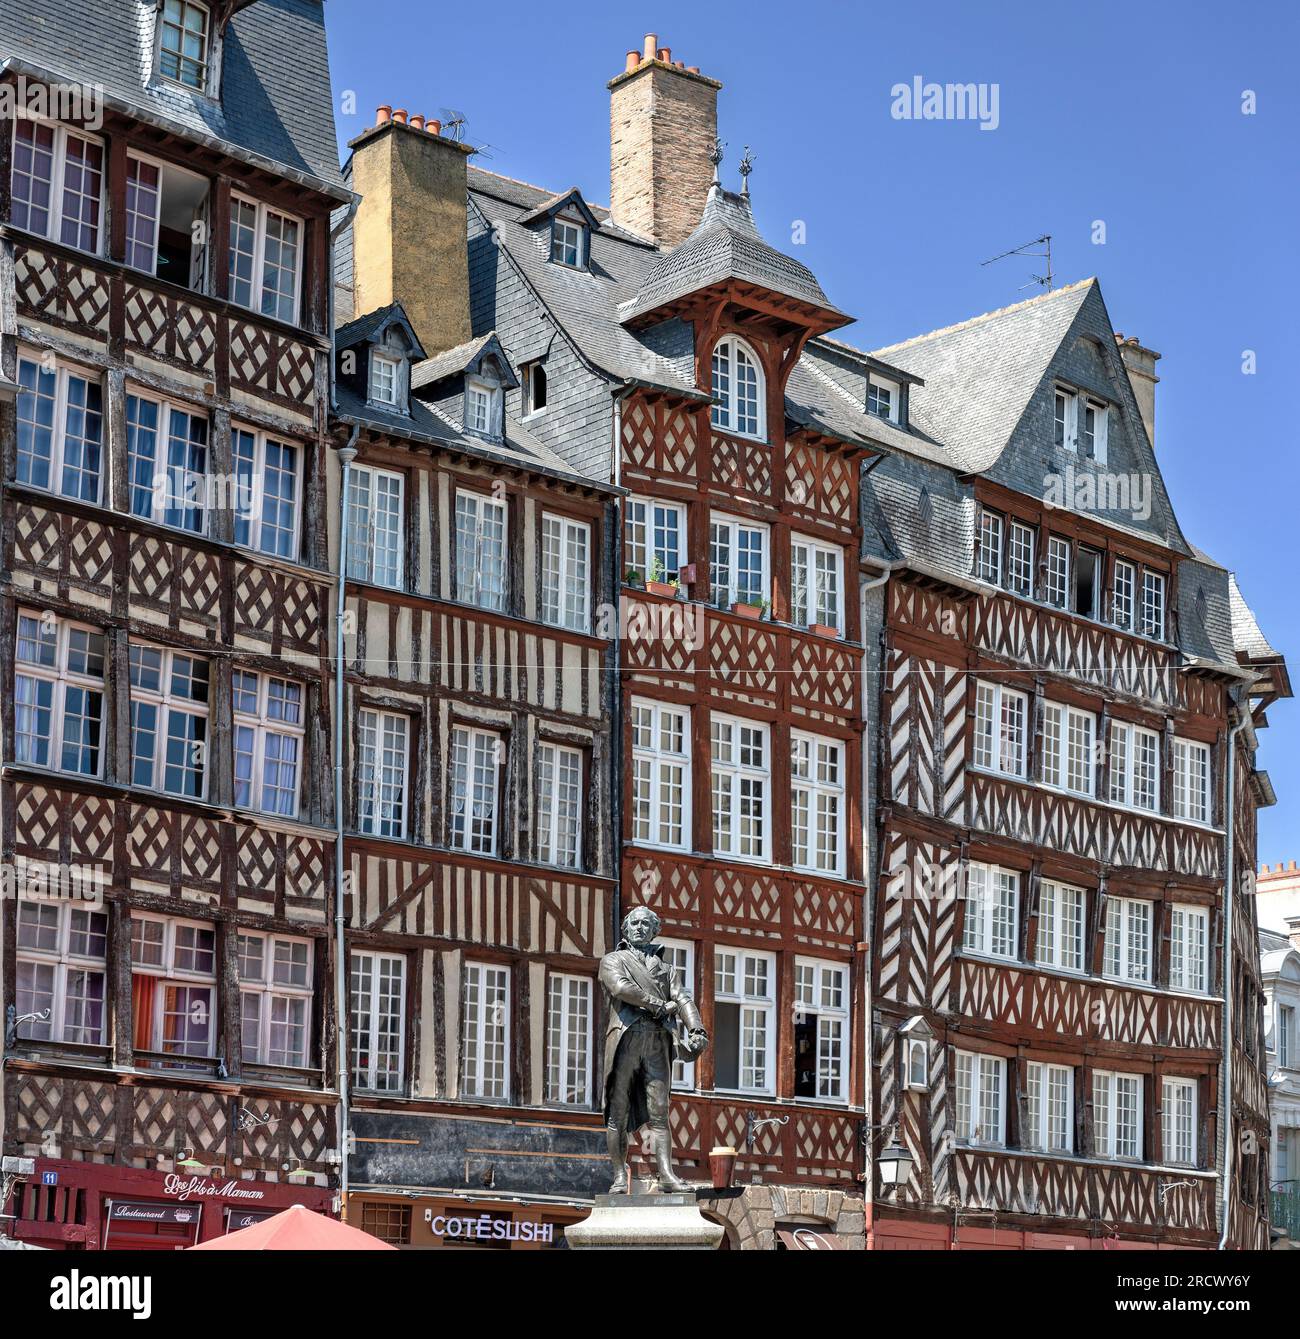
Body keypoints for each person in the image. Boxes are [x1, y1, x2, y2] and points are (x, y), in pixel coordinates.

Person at [599, 906, 708, 1192]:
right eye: (634, 923)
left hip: (657, 1041)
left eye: (646, 924)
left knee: (660, 1111)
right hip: (625, 1038)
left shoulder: (666, 970)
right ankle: (620, 1176)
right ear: (625, 929)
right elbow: (621, 989)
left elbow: (683, 998)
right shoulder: (613, 960)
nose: (639, 928)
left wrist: (696, 1029)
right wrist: (658, 1004)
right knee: (618, 1111)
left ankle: (667, 1175)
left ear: (654, 930)